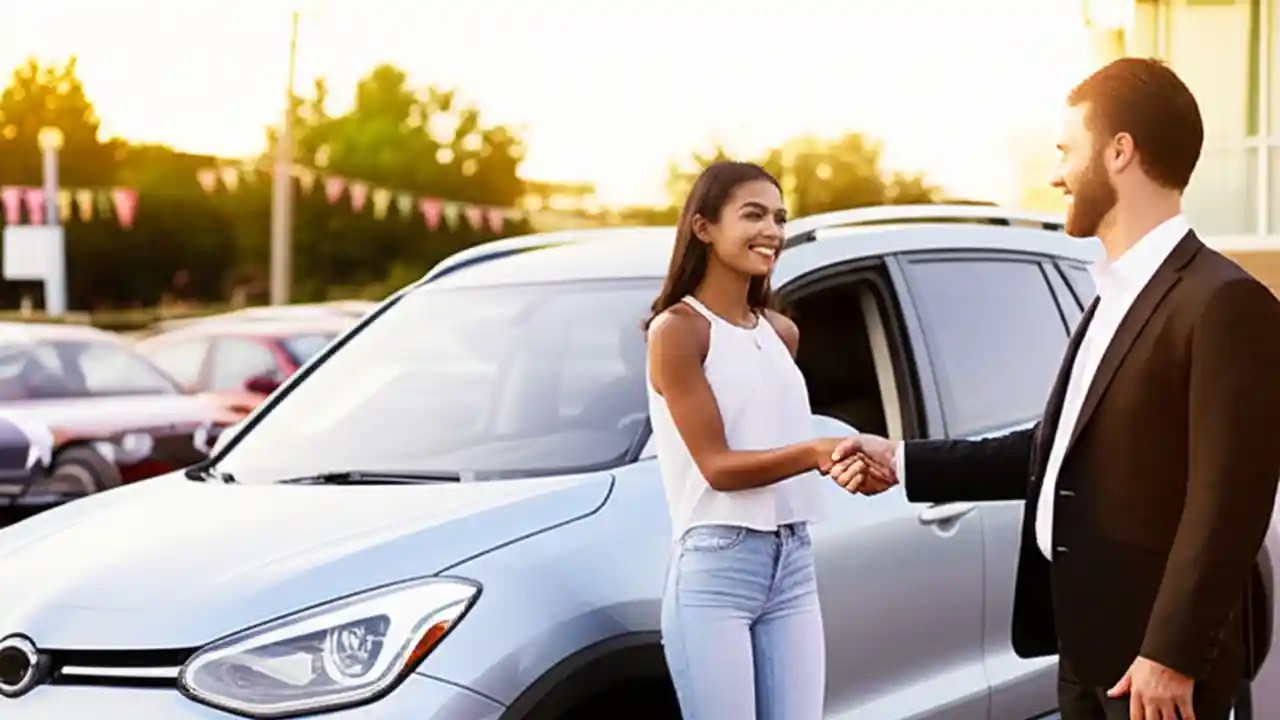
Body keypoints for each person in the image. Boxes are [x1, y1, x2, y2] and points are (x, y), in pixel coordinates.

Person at [829, 57, 1280, 720]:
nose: (1055, 172)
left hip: (1156, 675)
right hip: (1089, 655)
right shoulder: (1113, 297)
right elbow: (1056, 450)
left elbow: (1230, 504)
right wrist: (901, 460)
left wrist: (1172, 656)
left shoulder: (1226, 303)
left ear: (1119, 151)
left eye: (1068, 150)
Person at [645, 160, 872, 719]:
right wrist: (817, 452)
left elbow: (773, 439)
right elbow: (718, 467)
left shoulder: (779, 332)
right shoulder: (678, 331)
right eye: (753, 215)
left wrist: (845, 462)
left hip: (792, 560)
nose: (771, 230)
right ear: (703, 227)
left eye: (779, 217)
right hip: (715, 566)